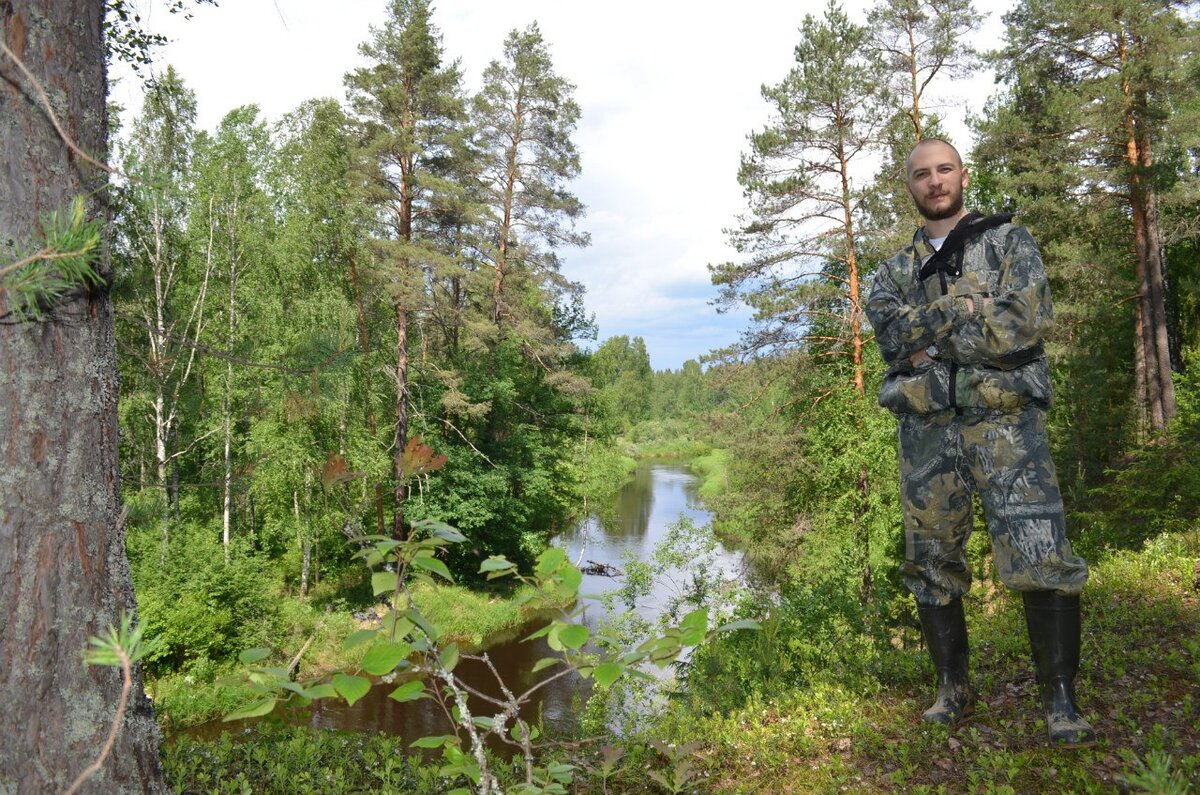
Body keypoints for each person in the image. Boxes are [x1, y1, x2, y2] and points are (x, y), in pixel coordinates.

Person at [865, 138, 1095, 747]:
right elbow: (890, 339)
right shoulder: (892, 270)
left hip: (1007, 428)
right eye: (922, 174)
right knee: (931, 562)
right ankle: (952, 689)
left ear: (962, 175)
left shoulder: (1009, 243)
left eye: (944, 169)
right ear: (909, 186)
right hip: (926, 435)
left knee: (1042, 553)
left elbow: (1021, 325)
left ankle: (1061, 700)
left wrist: (933, 339)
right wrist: (966, 306)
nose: (935, 182)